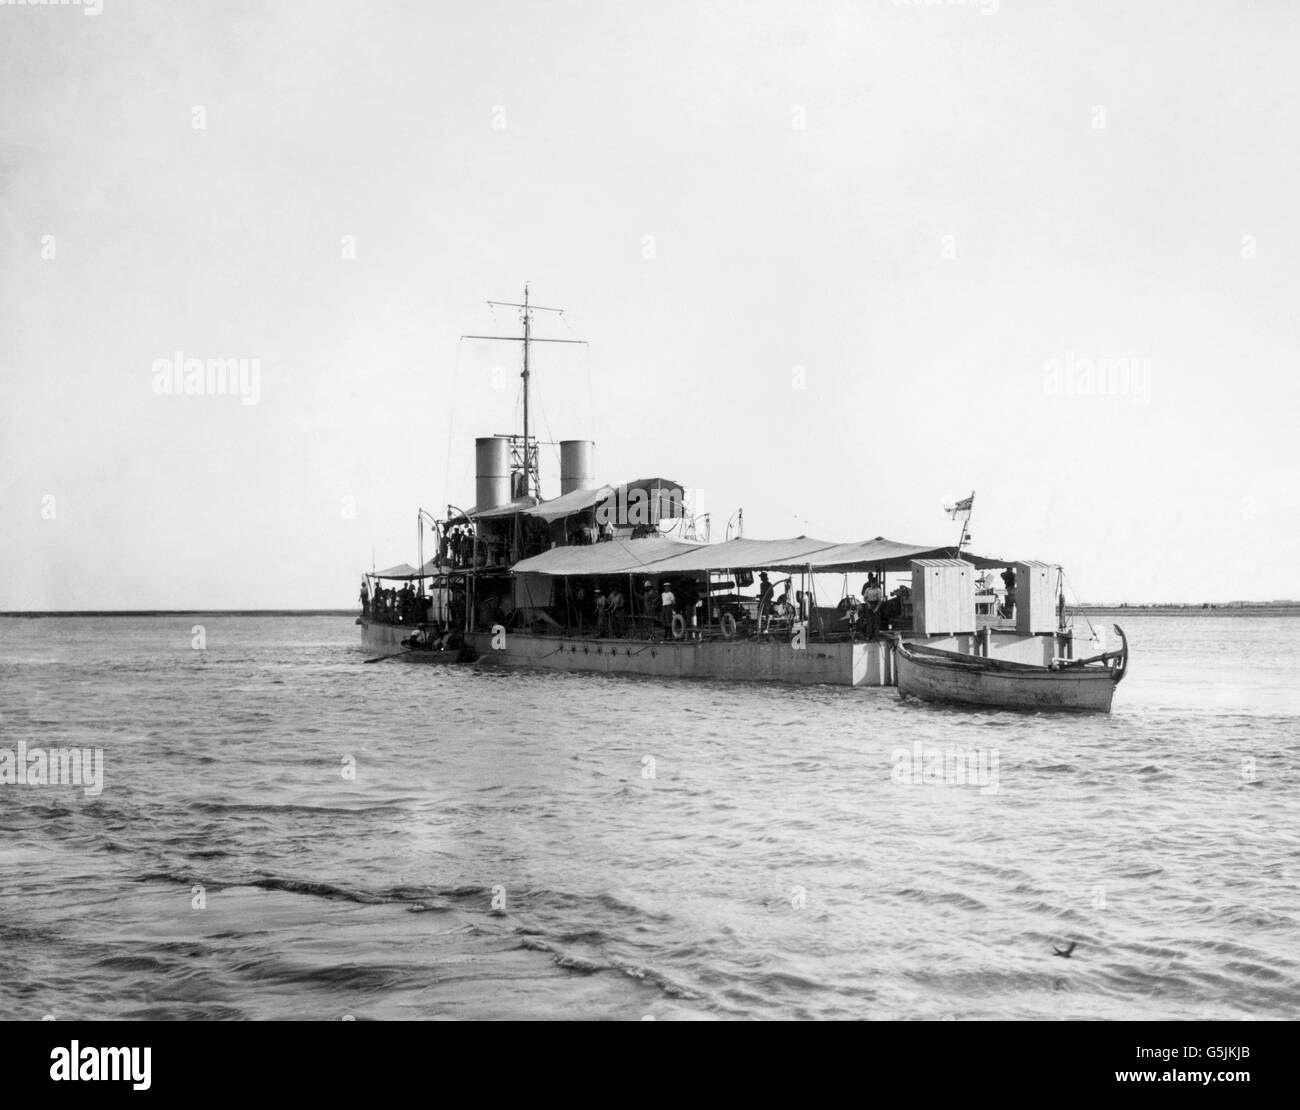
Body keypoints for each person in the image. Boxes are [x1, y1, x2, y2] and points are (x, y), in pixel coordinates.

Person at [861, 574, 884, 640]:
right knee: (869, 621)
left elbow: (880, 600)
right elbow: (865, 598)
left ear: (875, 583)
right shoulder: (867, 589)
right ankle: (868, 636)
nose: (873, 584)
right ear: (871, 583)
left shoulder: (878, 590)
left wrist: (876, 608)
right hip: (869, 604)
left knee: (876, 622)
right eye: (872, 583)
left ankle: (876, 636)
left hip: (876, 604)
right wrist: (868, 604)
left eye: (874, 583)